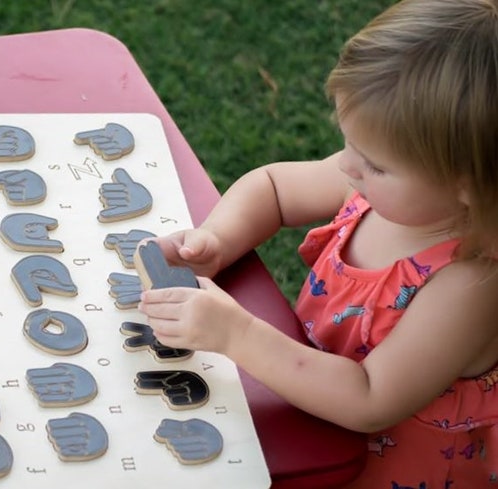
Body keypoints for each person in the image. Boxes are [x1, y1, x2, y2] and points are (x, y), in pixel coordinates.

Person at [137, 1, 498, 487]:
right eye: (348, 141)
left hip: (383, 468)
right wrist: (217, 240)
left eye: (374, 163)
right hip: (309, 415)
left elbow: (370, 398)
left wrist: (236, 334)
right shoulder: (374, 185)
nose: (346, 165)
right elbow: (274, 188)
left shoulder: (470, 282)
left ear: (468, 186)